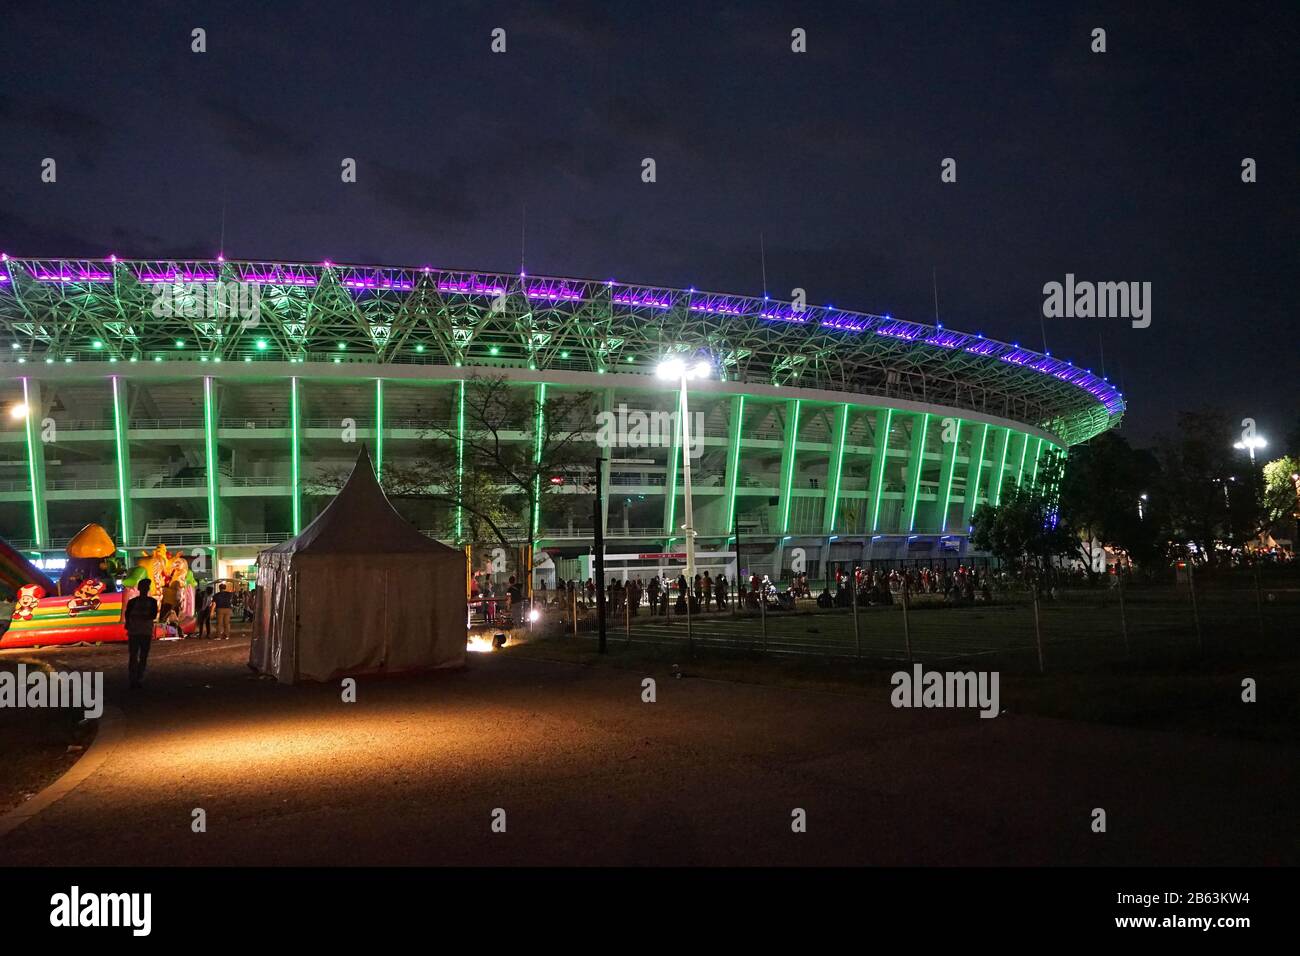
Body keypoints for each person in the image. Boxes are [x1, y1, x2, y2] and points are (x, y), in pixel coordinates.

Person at [124, 579, 158, 688]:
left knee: (139, 656)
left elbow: (152, 615)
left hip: (142, 632)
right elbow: (127, 615)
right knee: (136, 656)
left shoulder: (150, 602)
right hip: (139, 632)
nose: (145, 589)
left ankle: (137, 678)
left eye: (146, 587)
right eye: (144, 587)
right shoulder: (137, 602)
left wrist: (133, 621)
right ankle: (135, 678)